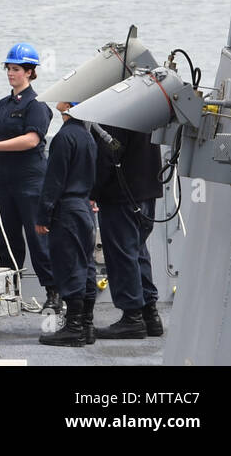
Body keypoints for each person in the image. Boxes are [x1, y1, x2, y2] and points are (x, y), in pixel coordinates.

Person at [0, 43, 58, 310]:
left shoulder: (37, 105)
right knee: (5, 236)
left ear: (29, 72)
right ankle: (8, 290)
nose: (10, 73)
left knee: (38, 238)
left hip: (30, 182)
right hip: (4, 182)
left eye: (16, 69)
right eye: (8, 68)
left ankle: (53, 292)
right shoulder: (2, 106)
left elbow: (31, 139)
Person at [93, 122, 165, 339]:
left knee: (122, 254)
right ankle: (149, 315)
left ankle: (132, 317)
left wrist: (91, 191)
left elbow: (109, 153)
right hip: (146, 190)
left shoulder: (116, 113)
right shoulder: (144, 107)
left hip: (121, 194)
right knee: (138, 251)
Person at [35, 101, 99, 346]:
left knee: (70, 265)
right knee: (87, 266)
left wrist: (43, 216)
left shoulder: (64, 137)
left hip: (67, 210)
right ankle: (87, 324)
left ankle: (73, 328)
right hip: (84, 207)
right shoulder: (87, 136)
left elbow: (54, 181)